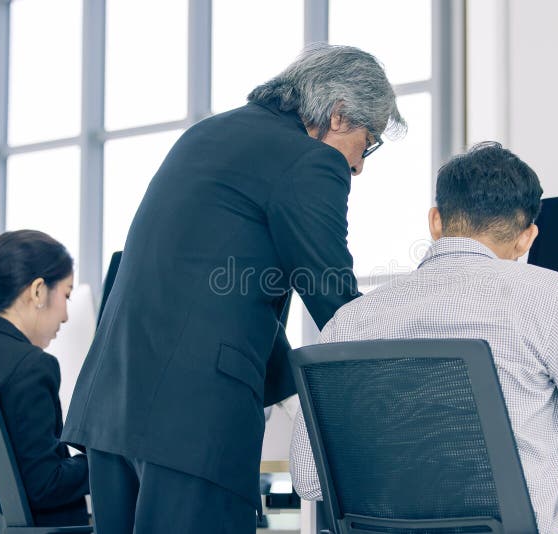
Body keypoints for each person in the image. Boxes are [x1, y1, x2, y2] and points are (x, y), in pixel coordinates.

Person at [62, 44, 405, 533]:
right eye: (367, 143)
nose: (360, 166)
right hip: (192, 423)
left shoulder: (209, 133)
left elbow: (208, 284)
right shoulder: (309, 160)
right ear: (339, 115)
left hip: (113, 410)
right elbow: (334, 297)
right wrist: (418, 377)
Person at [289, 142, 558, 534]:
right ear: (526, 238)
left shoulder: (351, 320)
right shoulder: (549, 298)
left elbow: (309, 479)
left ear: (435, 222)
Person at [0, 230, 88, 526]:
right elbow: (45, 485)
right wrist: (104, 463)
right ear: (38, 291)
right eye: (66, 295)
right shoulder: (31, 366)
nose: (67, 315)